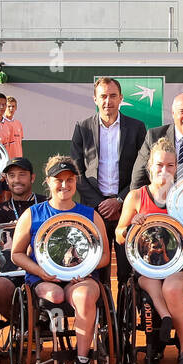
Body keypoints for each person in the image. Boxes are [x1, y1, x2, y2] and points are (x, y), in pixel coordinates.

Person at [10, 156, 110, 364]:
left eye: (69, 180)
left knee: (83, 297)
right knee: (55, 296)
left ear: (76, 182)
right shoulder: (33, 214)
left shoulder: (91, 215)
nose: (64, 185)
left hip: (82, 278)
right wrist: (40, 271)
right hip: (45, 278)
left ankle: (83, 361)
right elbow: (17, 254)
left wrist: (86, 269)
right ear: (48, 182)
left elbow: (104, 256)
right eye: (59, 180)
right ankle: (55, 352)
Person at [117, 141, 183, 364]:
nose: (164, 170)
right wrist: (131, 225)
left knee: (171, 288)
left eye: (169, 165)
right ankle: (165, 316)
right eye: (159, 165)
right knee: (149, 281)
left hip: (181, 266)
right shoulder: (136, 197)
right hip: (148, 265)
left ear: (176, 167)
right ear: (149, 167)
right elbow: (118, 233)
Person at [71, 77, 148, 285]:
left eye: (113, 96)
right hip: (94, 210)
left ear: (121, 98)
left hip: (127, 209)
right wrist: (99, 203)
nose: (108, 101)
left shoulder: (137, 127)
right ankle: (103, 315)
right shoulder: (82, 127)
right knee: (97, 270)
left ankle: (127, 315)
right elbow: (77, 171)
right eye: (103, 96)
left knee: (128, 270)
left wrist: (120, 200)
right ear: (95, 99)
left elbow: (142, 171)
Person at [0, 157, 44, 323]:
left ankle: (41, 319)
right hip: (11, 270)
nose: (17, 180)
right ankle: (21, 324)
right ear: (6, 179)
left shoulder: (46, 204)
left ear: (32, 178)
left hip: (43, 268)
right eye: (11, 175)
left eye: (22, 175)